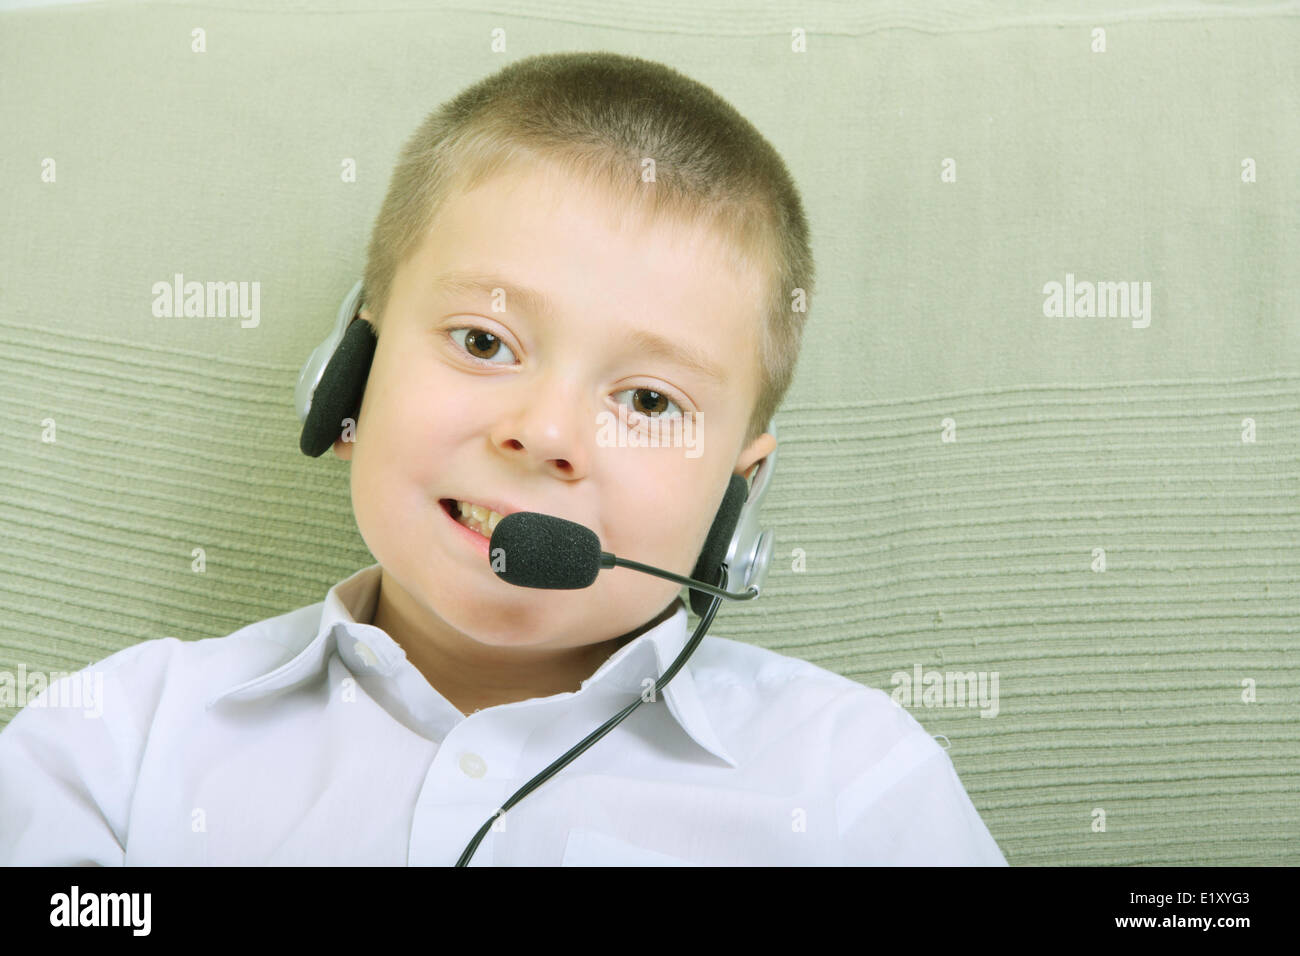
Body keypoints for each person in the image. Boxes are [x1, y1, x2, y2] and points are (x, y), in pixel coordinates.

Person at [0, 52, 1006, 865]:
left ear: (733, 503)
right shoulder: (115, 744)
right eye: (483, 341)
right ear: (345, 375)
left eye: (649, 399)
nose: (549, 434)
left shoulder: (856, 779)